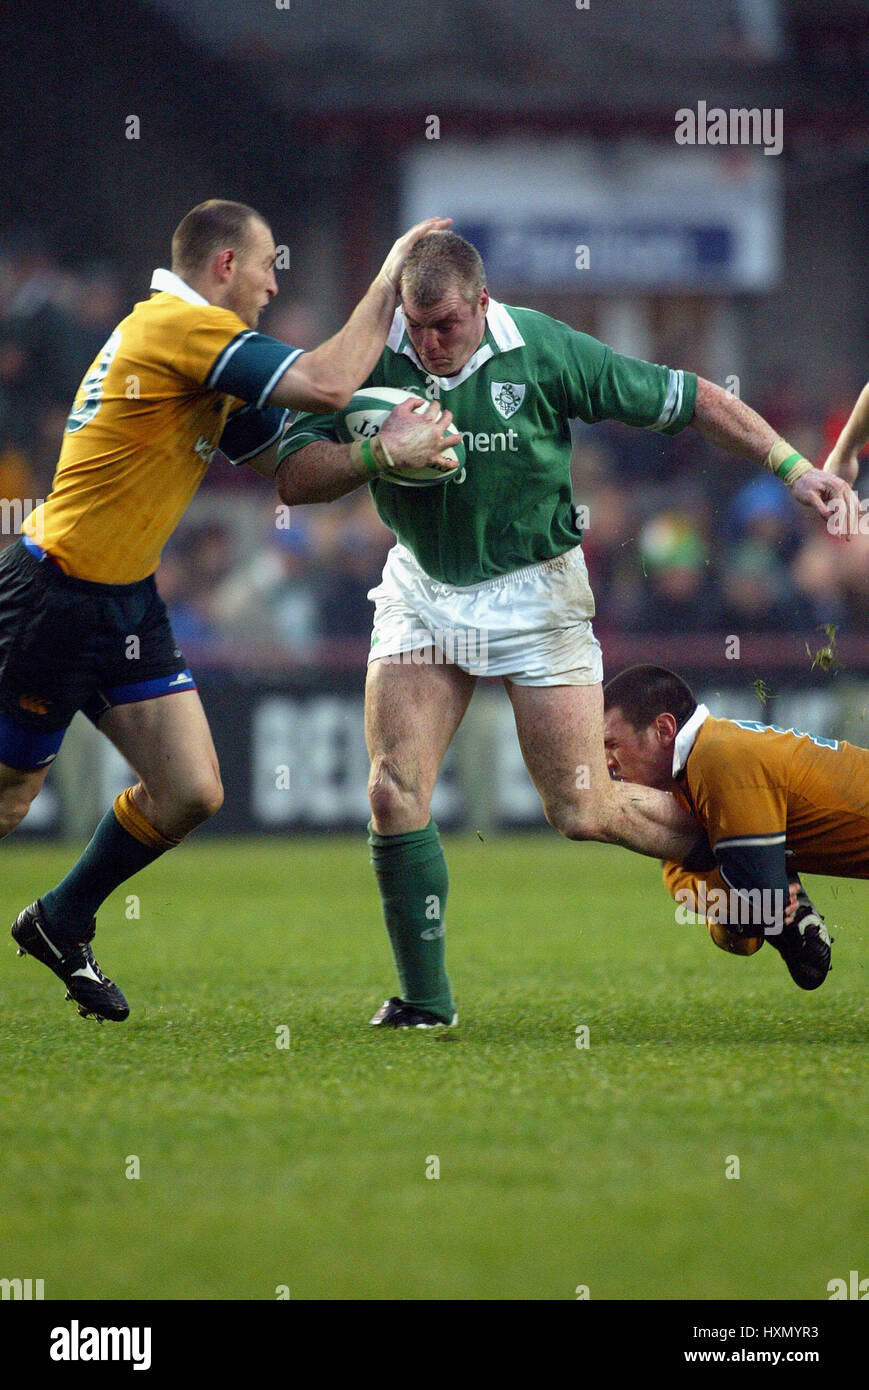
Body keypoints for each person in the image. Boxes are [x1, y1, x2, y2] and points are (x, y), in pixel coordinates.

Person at [276, 230, 858, 1028]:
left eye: (445, 323)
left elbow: (691, 398)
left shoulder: (543, 350)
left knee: (582, 810)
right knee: (389, 790)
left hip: (536, 594)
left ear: (483, 304)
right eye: (415, 324)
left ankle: (761, 875)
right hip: (422, 585)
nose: (428, 342)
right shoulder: (368, 355)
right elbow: (294, 477)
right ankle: (425, 1002)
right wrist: (379, 452)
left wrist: (791, 468)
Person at [2, 199, 459, 1023]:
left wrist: (377, 451)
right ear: (223, 268)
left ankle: (60, 920)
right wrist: (390, 280)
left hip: (125, 599)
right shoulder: (179, 329)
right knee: (8, 799)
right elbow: (324, 380)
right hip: (55, 594)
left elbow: (291, 471)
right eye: (266, 266)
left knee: (189, 791)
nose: (274, 283)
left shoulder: (206, 357)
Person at [601, 663, 869, 989]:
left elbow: (763, 902)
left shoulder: (717, 757)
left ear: (664, 730)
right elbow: (749, 917)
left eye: (612, 744)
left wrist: (781, 925)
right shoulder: (707, 756)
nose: (607, 762)